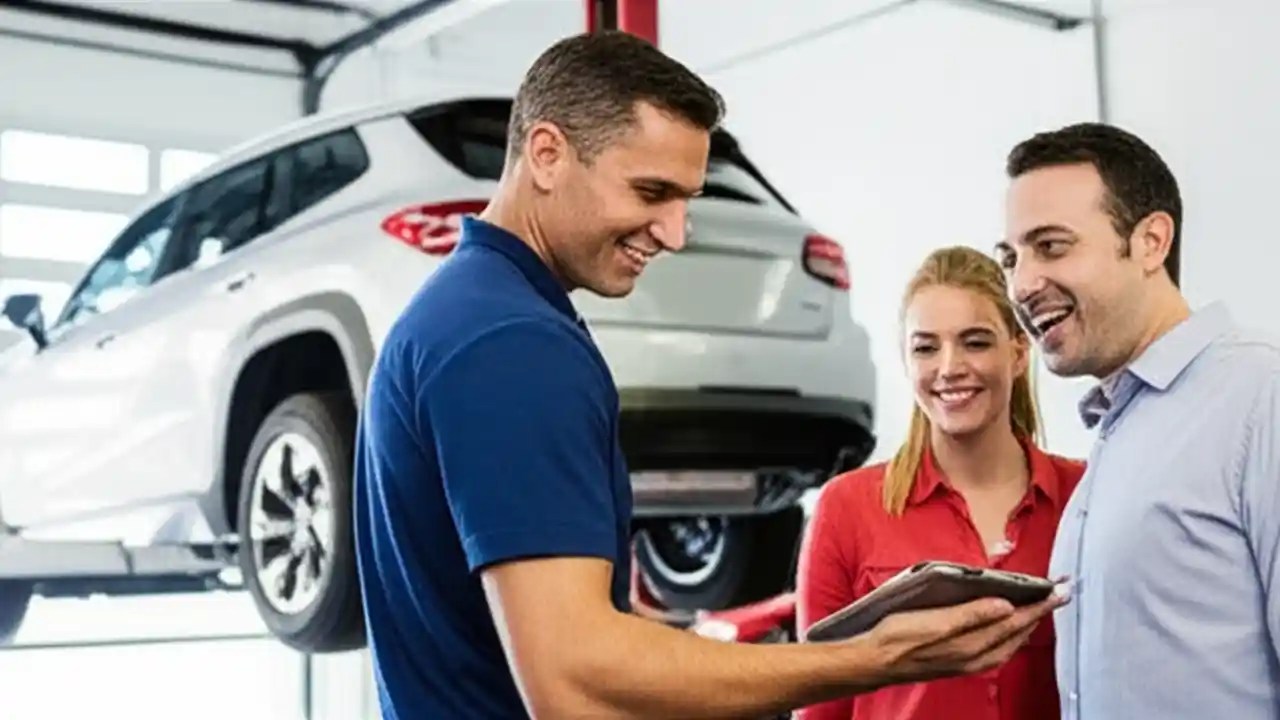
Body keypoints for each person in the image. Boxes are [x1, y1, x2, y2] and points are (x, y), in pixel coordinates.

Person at [352, 30, 1065, 720]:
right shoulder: (511, 343)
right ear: (546, 154)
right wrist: (875, 659)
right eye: (651, 191)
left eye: (685, 199)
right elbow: (576, 683)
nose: (674, 232)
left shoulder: (460, 315)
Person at [997, 122, 1280, 720]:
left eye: (1051, 246)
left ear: (1151, 242)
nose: (1021, 284)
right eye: (1010, 258)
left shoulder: (1260, 395)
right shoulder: (1120, 428)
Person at [795, 246, 1085, 720]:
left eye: (975, 342)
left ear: (1017, 352)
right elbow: (819, 706)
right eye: (926, 347)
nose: (949, 367)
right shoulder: (846, 507)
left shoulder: (1085, 496)